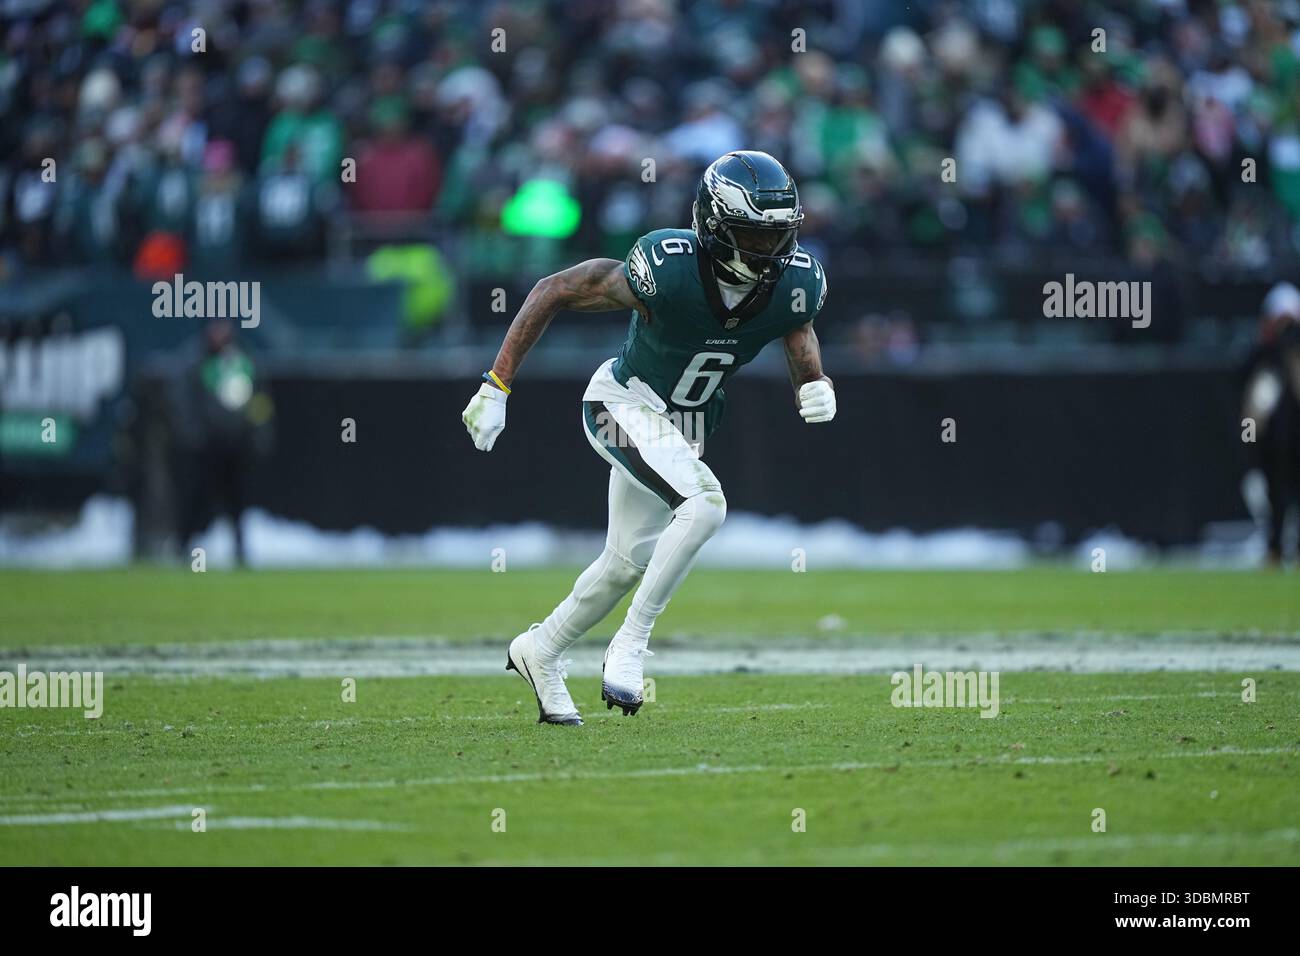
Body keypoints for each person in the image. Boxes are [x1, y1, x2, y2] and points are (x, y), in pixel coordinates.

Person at [461, 151, 834, 725]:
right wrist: (497, 384)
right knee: (705, 504)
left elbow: (799, 329)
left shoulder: (797, 280)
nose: (770, 250)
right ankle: (631, 644)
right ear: (715, 226)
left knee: (624, 563)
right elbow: (555, 287)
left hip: (686, 424)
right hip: (621, 405)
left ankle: (540, 649)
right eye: (754, 235)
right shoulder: (669, 267)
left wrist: (813, 382)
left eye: (778, 235)